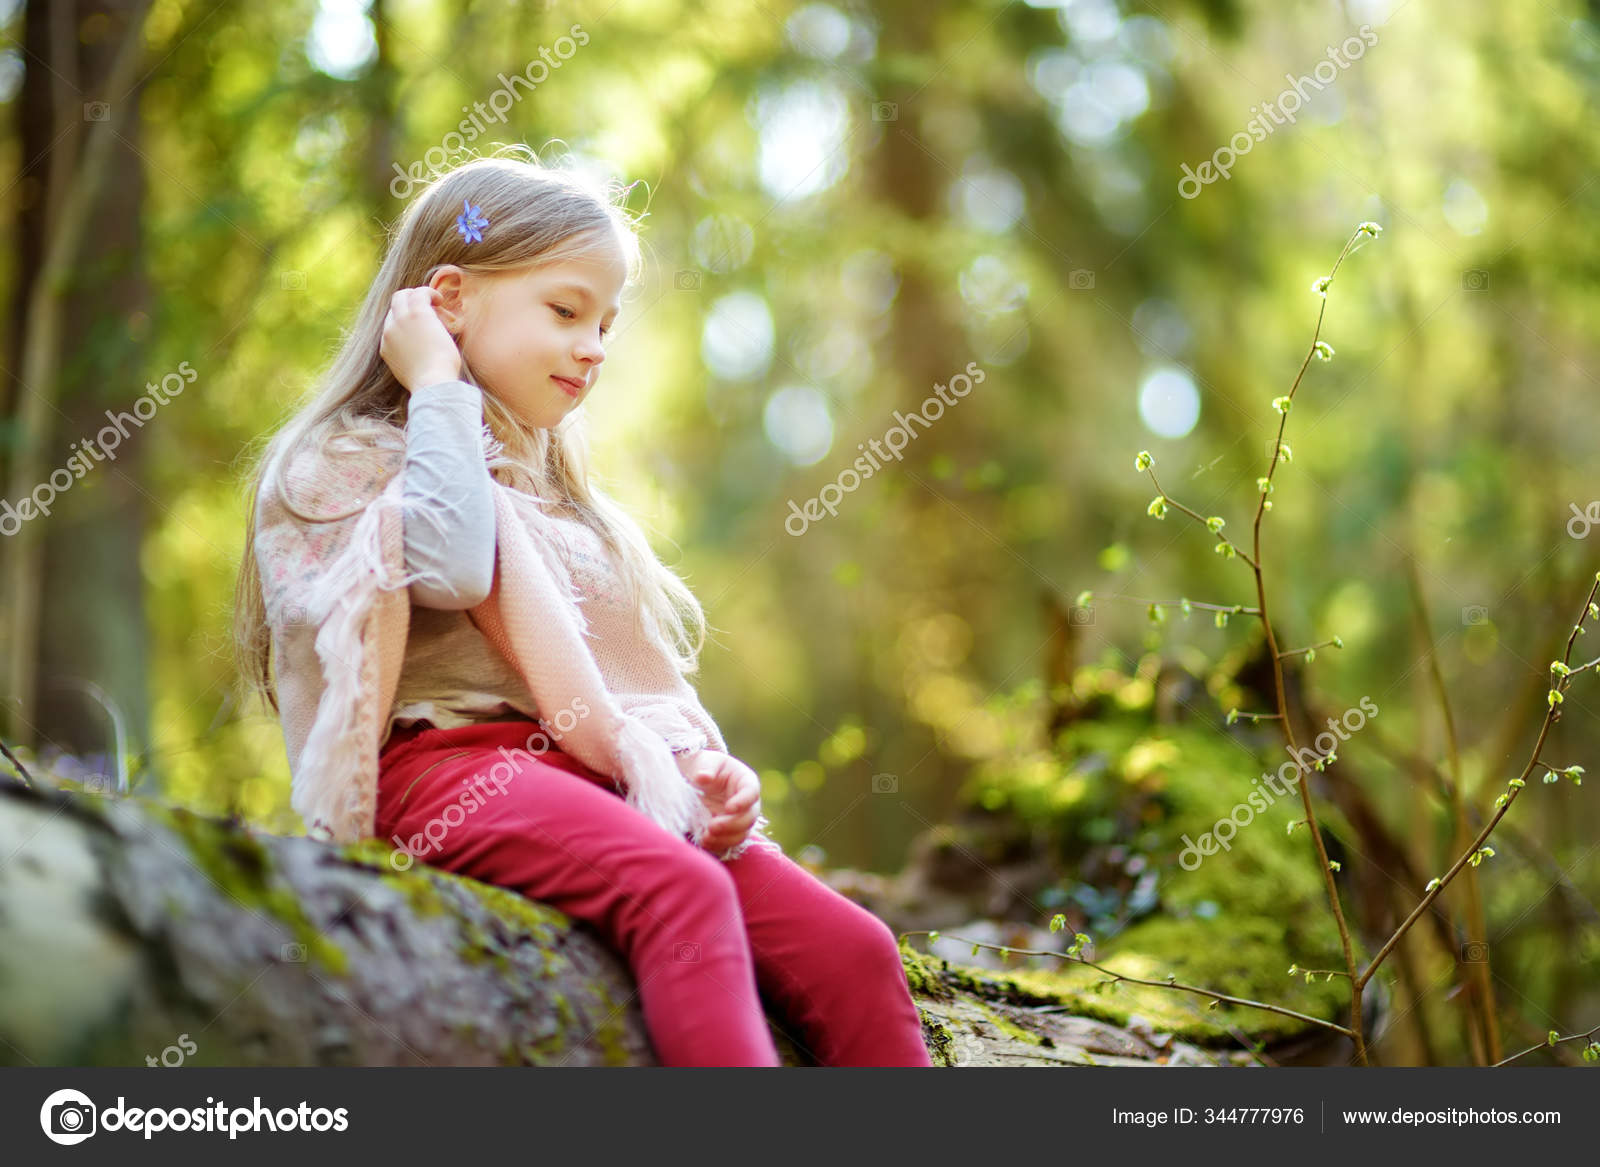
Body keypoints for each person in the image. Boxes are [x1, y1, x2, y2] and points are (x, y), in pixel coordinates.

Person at [233, 148, 931, 1067]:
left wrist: (695, 769)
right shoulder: (343, 461)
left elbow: (616, 690)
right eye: (566, 310)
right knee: (678, 890)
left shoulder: (557, 504)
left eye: (605, 321)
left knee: (857, 949)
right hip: (439, 775)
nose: (595, 345)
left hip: (584, 779)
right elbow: (452, 570)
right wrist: (439, 387)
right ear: (446, 302)